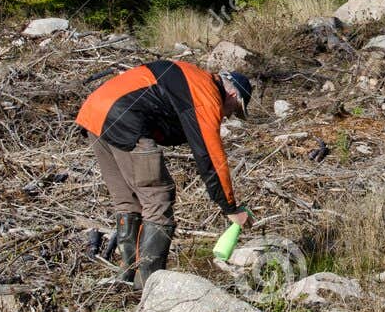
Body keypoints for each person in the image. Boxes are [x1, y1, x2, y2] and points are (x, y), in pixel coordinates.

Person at [76, 61, 253, 287]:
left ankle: (127, 279)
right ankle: (150, 288)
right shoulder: (206, 93)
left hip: (95, 114)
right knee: (158, 198)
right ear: (231, 93)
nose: (228, 116)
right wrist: (230, 208)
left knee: (128, 201)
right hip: (123, 118)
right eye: (235, 109)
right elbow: (210, 155)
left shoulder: (190, 78)